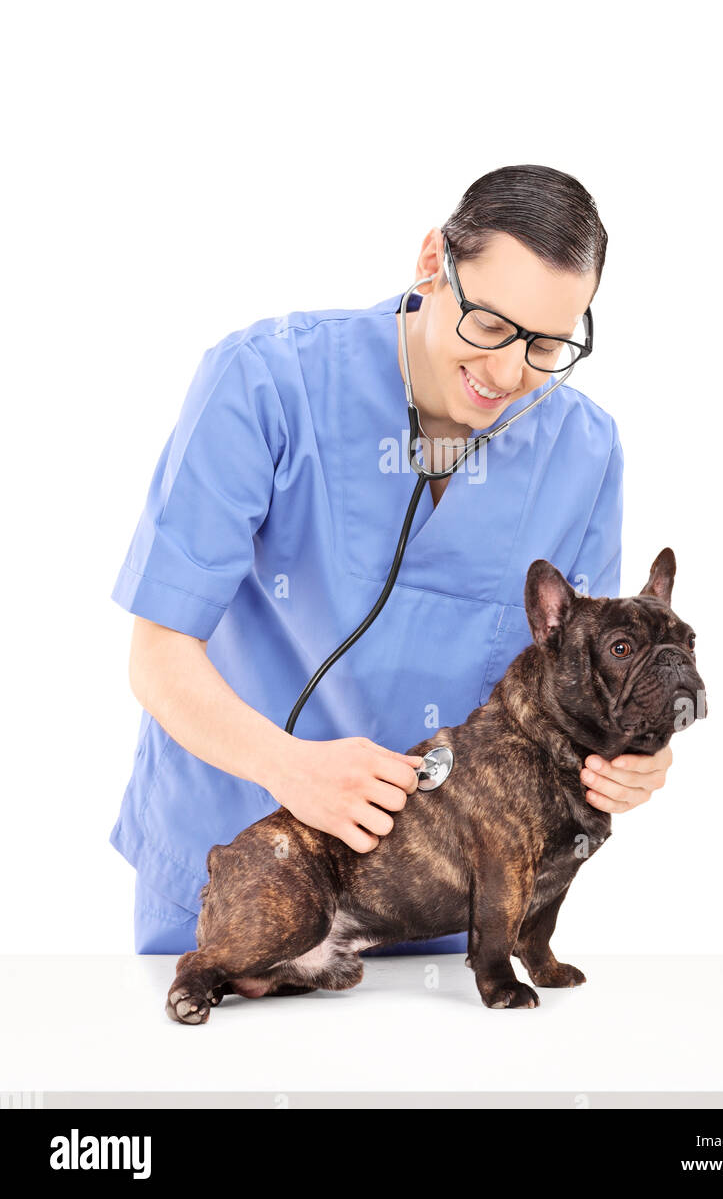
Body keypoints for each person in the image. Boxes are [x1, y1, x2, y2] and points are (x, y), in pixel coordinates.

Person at [110, 163, 673, 957]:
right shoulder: (266, 381)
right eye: (490, 324)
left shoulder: (585, 451)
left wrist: (628, 755)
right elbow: (157, 656)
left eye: (548, 345)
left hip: (448, 895)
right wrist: (289, 768)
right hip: (251, 876)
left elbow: (577, 684)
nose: (510, 375)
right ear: (430, 262)